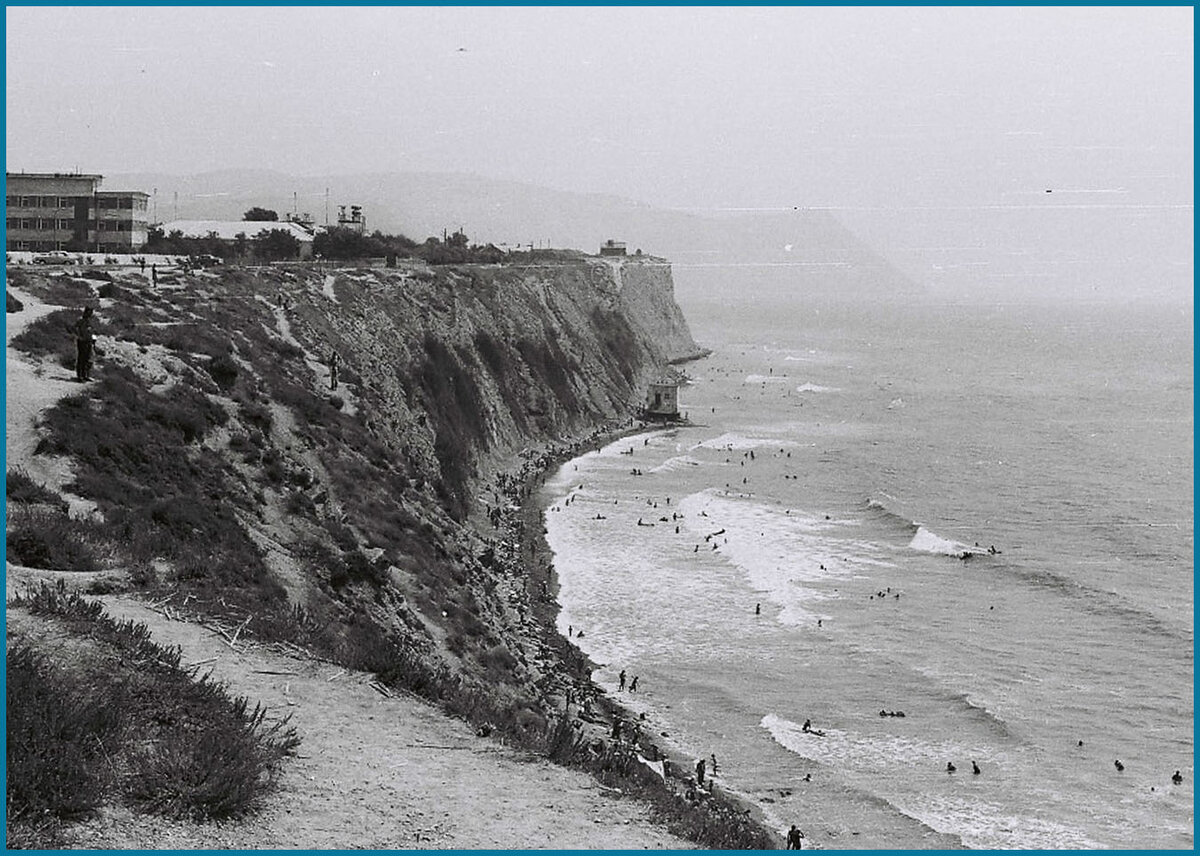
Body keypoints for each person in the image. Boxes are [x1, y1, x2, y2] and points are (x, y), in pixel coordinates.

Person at [73, 307, 95, 381]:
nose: (90, 314)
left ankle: (86, 375)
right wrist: (79, 336)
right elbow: (75, 328)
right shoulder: (80, 320)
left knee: (88, 358)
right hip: (82, 341)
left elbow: (91, 331)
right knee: (81, 358)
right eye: (89, 312)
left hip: (89, 341)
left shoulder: (90, 321)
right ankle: (80, 376)